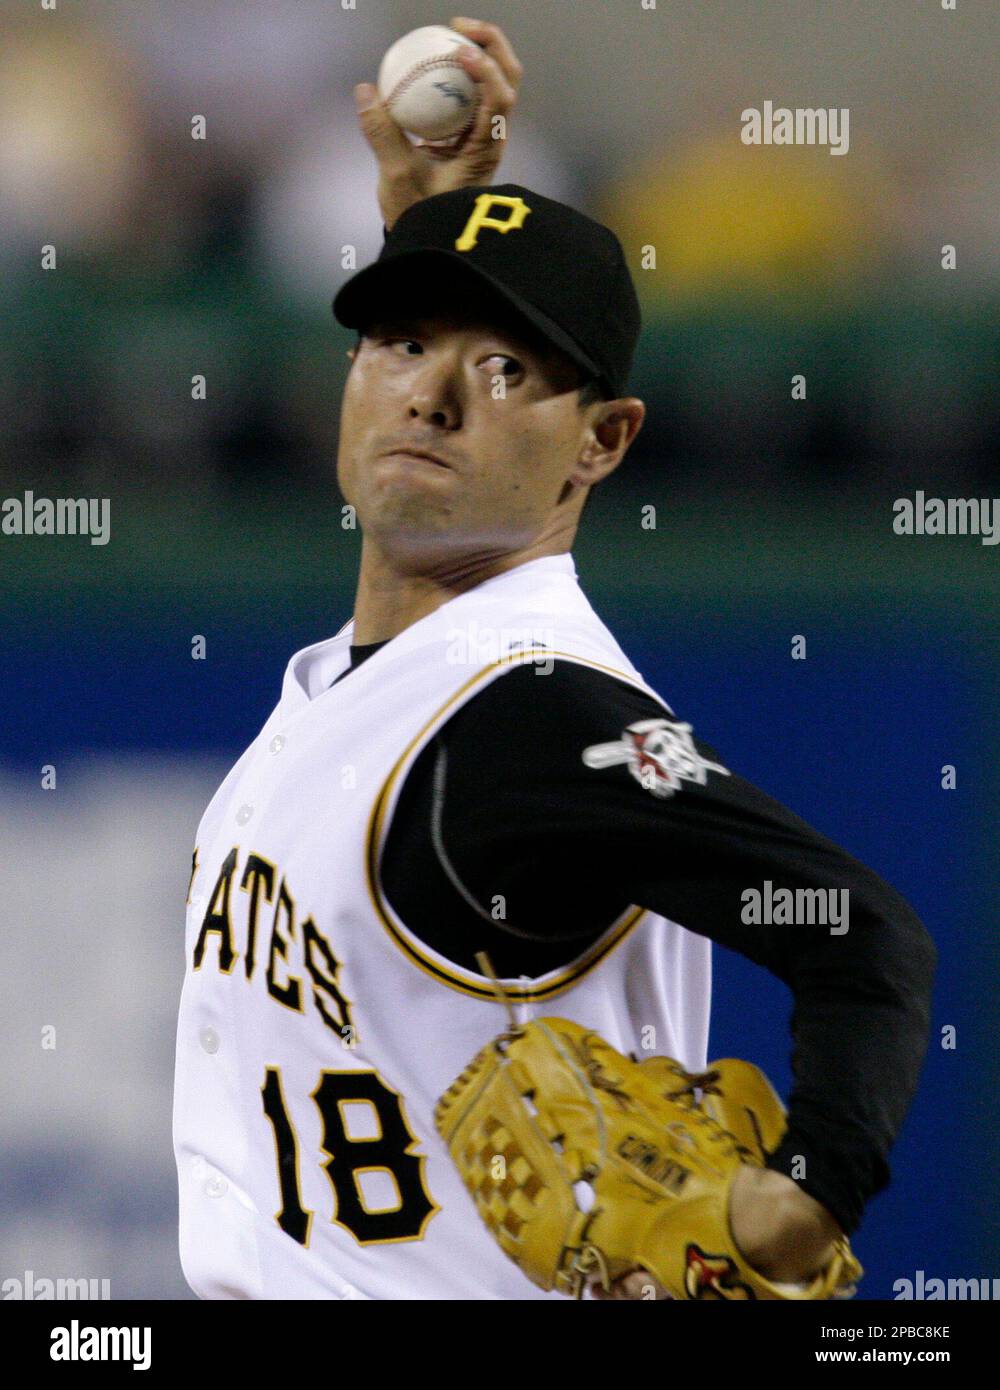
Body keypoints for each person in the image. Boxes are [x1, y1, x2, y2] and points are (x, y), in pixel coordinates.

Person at [172, 19, 935, 1300]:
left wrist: (809, 1192)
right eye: (402, 343)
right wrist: (441, 225)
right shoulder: (362, 684)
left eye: (507, 367)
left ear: (603, 441)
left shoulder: (528, 711)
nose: (431, 396)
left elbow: (865, 940)